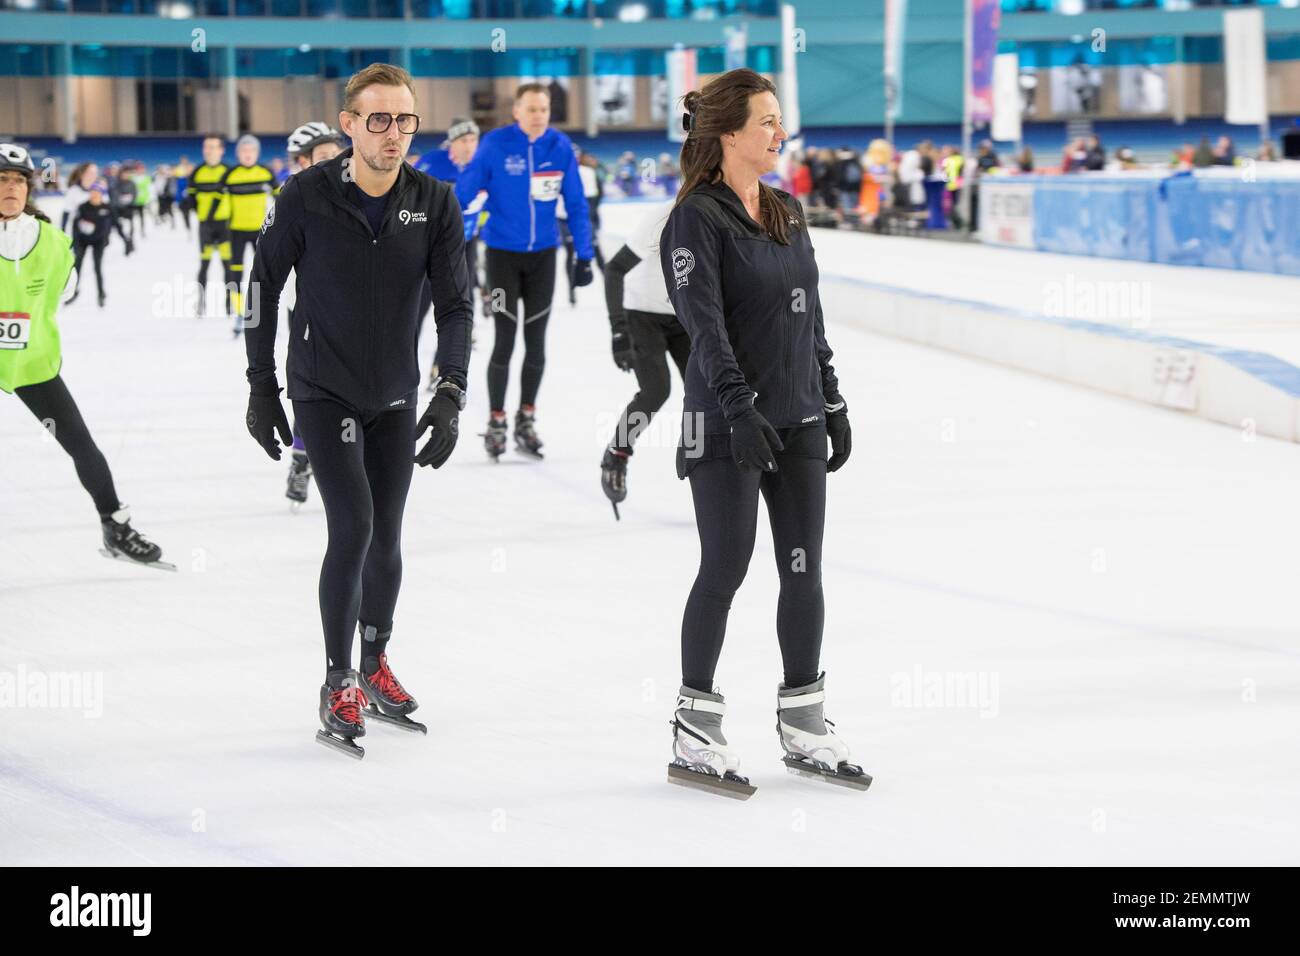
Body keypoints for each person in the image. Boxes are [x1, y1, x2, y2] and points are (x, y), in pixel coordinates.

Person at [244, 63, 473, 759]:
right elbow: (262, 286)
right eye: (378, 119)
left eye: (405, 119)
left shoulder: (435, 201)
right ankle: (337, 678)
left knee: (389, 534)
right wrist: (259, 385)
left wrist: (452, 391)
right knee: (354, 524)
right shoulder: (305, 196)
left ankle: (375, 664)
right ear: (349, 125)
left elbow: (457, 305)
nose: (394, 133)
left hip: (396, 394)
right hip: (322, 387)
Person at [659, 70, 868, 797]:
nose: (781, 133)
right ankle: (695, 725)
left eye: (781, 121)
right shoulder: (696, 218)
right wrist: (738, 408)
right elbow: (704, 327)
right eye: (769, 122)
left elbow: (807, 310)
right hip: (726, 421)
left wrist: (831, 397)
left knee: (803, 568)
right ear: (730, 134)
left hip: (799, 412)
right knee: (726, 565)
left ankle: (805, 722)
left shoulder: (786, 210)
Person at [0, 144, 167, 568]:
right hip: (26, 355)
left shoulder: (53, 243)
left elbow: (67, 290)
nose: (11, 187)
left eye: (18, 180)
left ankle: (116, 525)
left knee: (81, 444)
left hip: (32, 362)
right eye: (2, 179)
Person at [453, 82, 595, 461]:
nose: (538, 116)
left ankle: (526, 418)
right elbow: (465, 192)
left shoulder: (560, 147)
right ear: (516, 111)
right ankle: (497, 419)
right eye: (531, 109)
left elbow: (577, 203)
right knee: (504, 337)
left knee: (536, 341)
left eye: (544, 110)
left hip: (543, 259)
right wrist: (440, 230)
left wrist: (584, 255)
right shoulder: (496, 144)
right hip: (501, 258)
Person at [598, 200, 685, 519]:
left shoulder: (720, 213)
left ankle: (697, 453)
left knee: (707, 391)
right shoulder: (662, 217)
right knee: (656, 391)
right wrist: (619, 331)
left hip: (686, 316)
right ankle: (617, 453)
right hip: (642, 314)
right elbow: (615, 268)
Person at [280, 120, 346, 510]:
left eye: (335, 155)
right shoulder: (292, 198)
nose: (332, 163)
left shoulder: (355, 189)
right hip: (305, 312)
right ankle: (302, 460)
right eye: (322, 157)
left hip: (352, 312)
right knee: (311, 392)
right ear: (302, 162)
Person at [223, 135, 277, 334]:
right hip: (235, 231)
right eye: (243, 151)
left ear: (257, 153)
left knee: (262, 274)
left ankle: (263, 313)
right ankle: (238, 313)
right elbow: (218, 201)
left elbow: (281, 199)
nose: (247, 154)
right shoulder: (229, 175)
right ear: (238, 154)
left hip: (260, 232)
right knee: (235, 273)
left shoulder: (265, 173)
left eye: (251, 151)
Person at [66, 183, 132, 308]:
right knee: (77, 267)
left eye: (97, 193)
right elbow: (75, 226)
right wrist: (74, 243)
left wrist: (126, 240)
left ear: (102, 194)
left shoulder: (108, 208)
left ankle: (101, 294)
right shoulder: (83, 207)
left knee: (98, 268)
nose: (94, 195)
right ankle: (73, 292)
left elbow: (117, 225)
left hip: (99, 241)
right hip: (83, 241)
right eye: (92, 192)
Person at [192, 135, 232, 318]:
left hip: (225, 225)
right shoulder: (197, 172)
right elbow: (191, 198)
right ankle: (201, 303)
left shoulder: (228, 172)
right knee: (204, 265)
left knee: (228, 266)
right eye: (206, 147)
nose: (209, 150)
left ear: (221, 150)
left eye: (213, 147)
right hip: (205, 226)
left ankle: (229, 304)